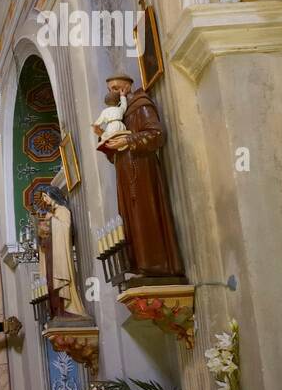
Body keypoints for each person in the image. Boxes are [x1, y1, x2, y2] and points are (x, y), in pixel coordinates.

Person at [101, 74, 184, 278]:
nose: (112, 91)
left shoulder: (140, 105)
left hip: (142, 171)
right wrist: (109, 146)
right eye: (110, 88)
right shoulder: (119, 115)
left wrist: (128, 141)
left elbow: (156, 134)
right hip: (125, 173)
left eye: (115, 86)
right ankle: (138, 265)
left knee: (145, 215)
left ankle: (156, 265)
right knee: (129, 218)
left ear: (127, 86)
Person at [35, 184, 88, 319]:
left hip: (60, 256)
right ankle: (57, 312)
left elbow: (65, 228)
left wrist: (51, 220)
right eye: (43, 198)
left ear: (52, 195)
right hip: (52, 256)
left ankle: (67, 309)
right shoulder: (54, 213)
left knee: (59, 282)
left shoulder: (63, 210)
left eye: (45, 197)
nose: (45, 200)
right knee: (51, 284)